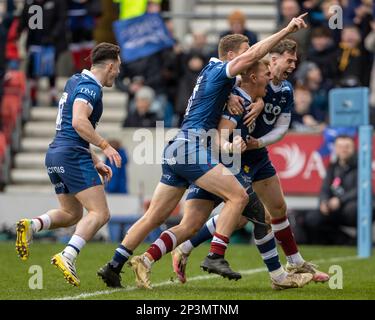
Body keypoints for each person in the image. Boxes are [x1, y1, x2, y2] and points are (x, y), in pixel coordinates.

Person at [97, 14, 308, 289]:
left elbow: (253, 83)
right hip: (193, 148)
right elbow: (255, 60)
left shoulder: (215, 77)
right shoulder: (223, 70)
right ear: (230, 55)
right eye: (244, 54)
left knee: (159, 217)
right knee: (238, 198)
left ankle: (114, 265)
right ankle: (216, 255)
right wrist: (287, 29)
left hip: (177, 147)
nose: (250, 60)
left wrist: (254, 100)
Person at [171, 39, 329, 290]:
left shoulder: (285, 90)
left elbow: (282, 128)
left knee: (277, 208)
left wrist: (259, 134)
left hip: (257, 153)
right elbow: (214, 93)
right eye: (289, 60)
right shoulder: (241, 78)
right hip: (235, 155)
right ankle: (282, 273)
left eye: (295, 61)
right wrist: (236, 97)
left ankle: (293, 264)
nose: (293, 65)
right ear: (272, 60)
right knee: (251, 216)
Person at [15, 43, 122, 287]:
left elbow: (70, 126)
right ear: (110, 66)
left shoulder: (75, 80)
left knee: (71, 214)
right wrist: (105, 147)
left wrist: (94, 160)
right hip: (72, 154)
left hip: (56, 153)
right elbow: (78, 122)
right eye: (118, 68)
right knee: (100, 213)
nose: (118, 73)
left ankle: (31, 226)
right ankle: (68, 255)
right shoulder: (90, 88)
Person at [301, 135, 360, 244]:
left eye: (347, 146)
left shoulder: (361, 167)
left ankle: (356, 241)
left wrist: (340, 200)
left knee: (353, 209)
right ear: (336, 149)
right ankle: (345, 240)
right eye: (340, 146)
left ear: (353, 148)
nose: (344, 149)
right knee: (312, 218)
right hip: (333, 209)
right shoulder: (332, 167)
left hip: (350, 209)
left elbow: (360, 190)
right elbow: (325, 189)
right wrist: (324, 202)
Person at [17, 0, 68, 106]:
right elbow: (23, 21)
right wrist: (17, 33)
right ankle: (32, 97)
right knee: (32, 71)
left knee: (51, 70)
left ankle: (53, 96)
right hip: (33, 42)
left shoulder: (56, 3)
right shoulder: (30, 3)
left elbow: (61, 20)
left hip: (51, 43)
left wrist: (53, 35)